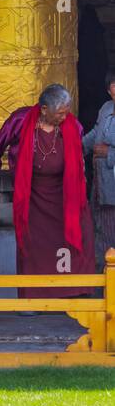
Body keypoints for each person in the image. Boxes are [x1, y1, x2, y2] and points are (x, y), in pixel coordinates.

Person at [0, 84, 94, 300]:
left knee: (83, 232)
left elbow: (78, 161)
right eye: (60, 112)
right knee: (32, 243)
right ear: (44, 110)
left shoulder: (72, 126)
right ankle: (33, 294)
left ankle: (76, 290)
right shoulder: (20, 121)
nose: (65, 116)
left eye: (67, 111)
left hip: (64, 194)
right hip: (32, 194)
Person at [82, 71, 115, 269]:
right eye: (113, 85)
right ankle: (104, 286)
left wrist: (109, 153)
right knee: (102, 232)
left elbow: (102, 147)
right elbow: (95, 133)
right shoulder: (106, 108)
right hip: (103, 185)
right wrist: (74, 148)